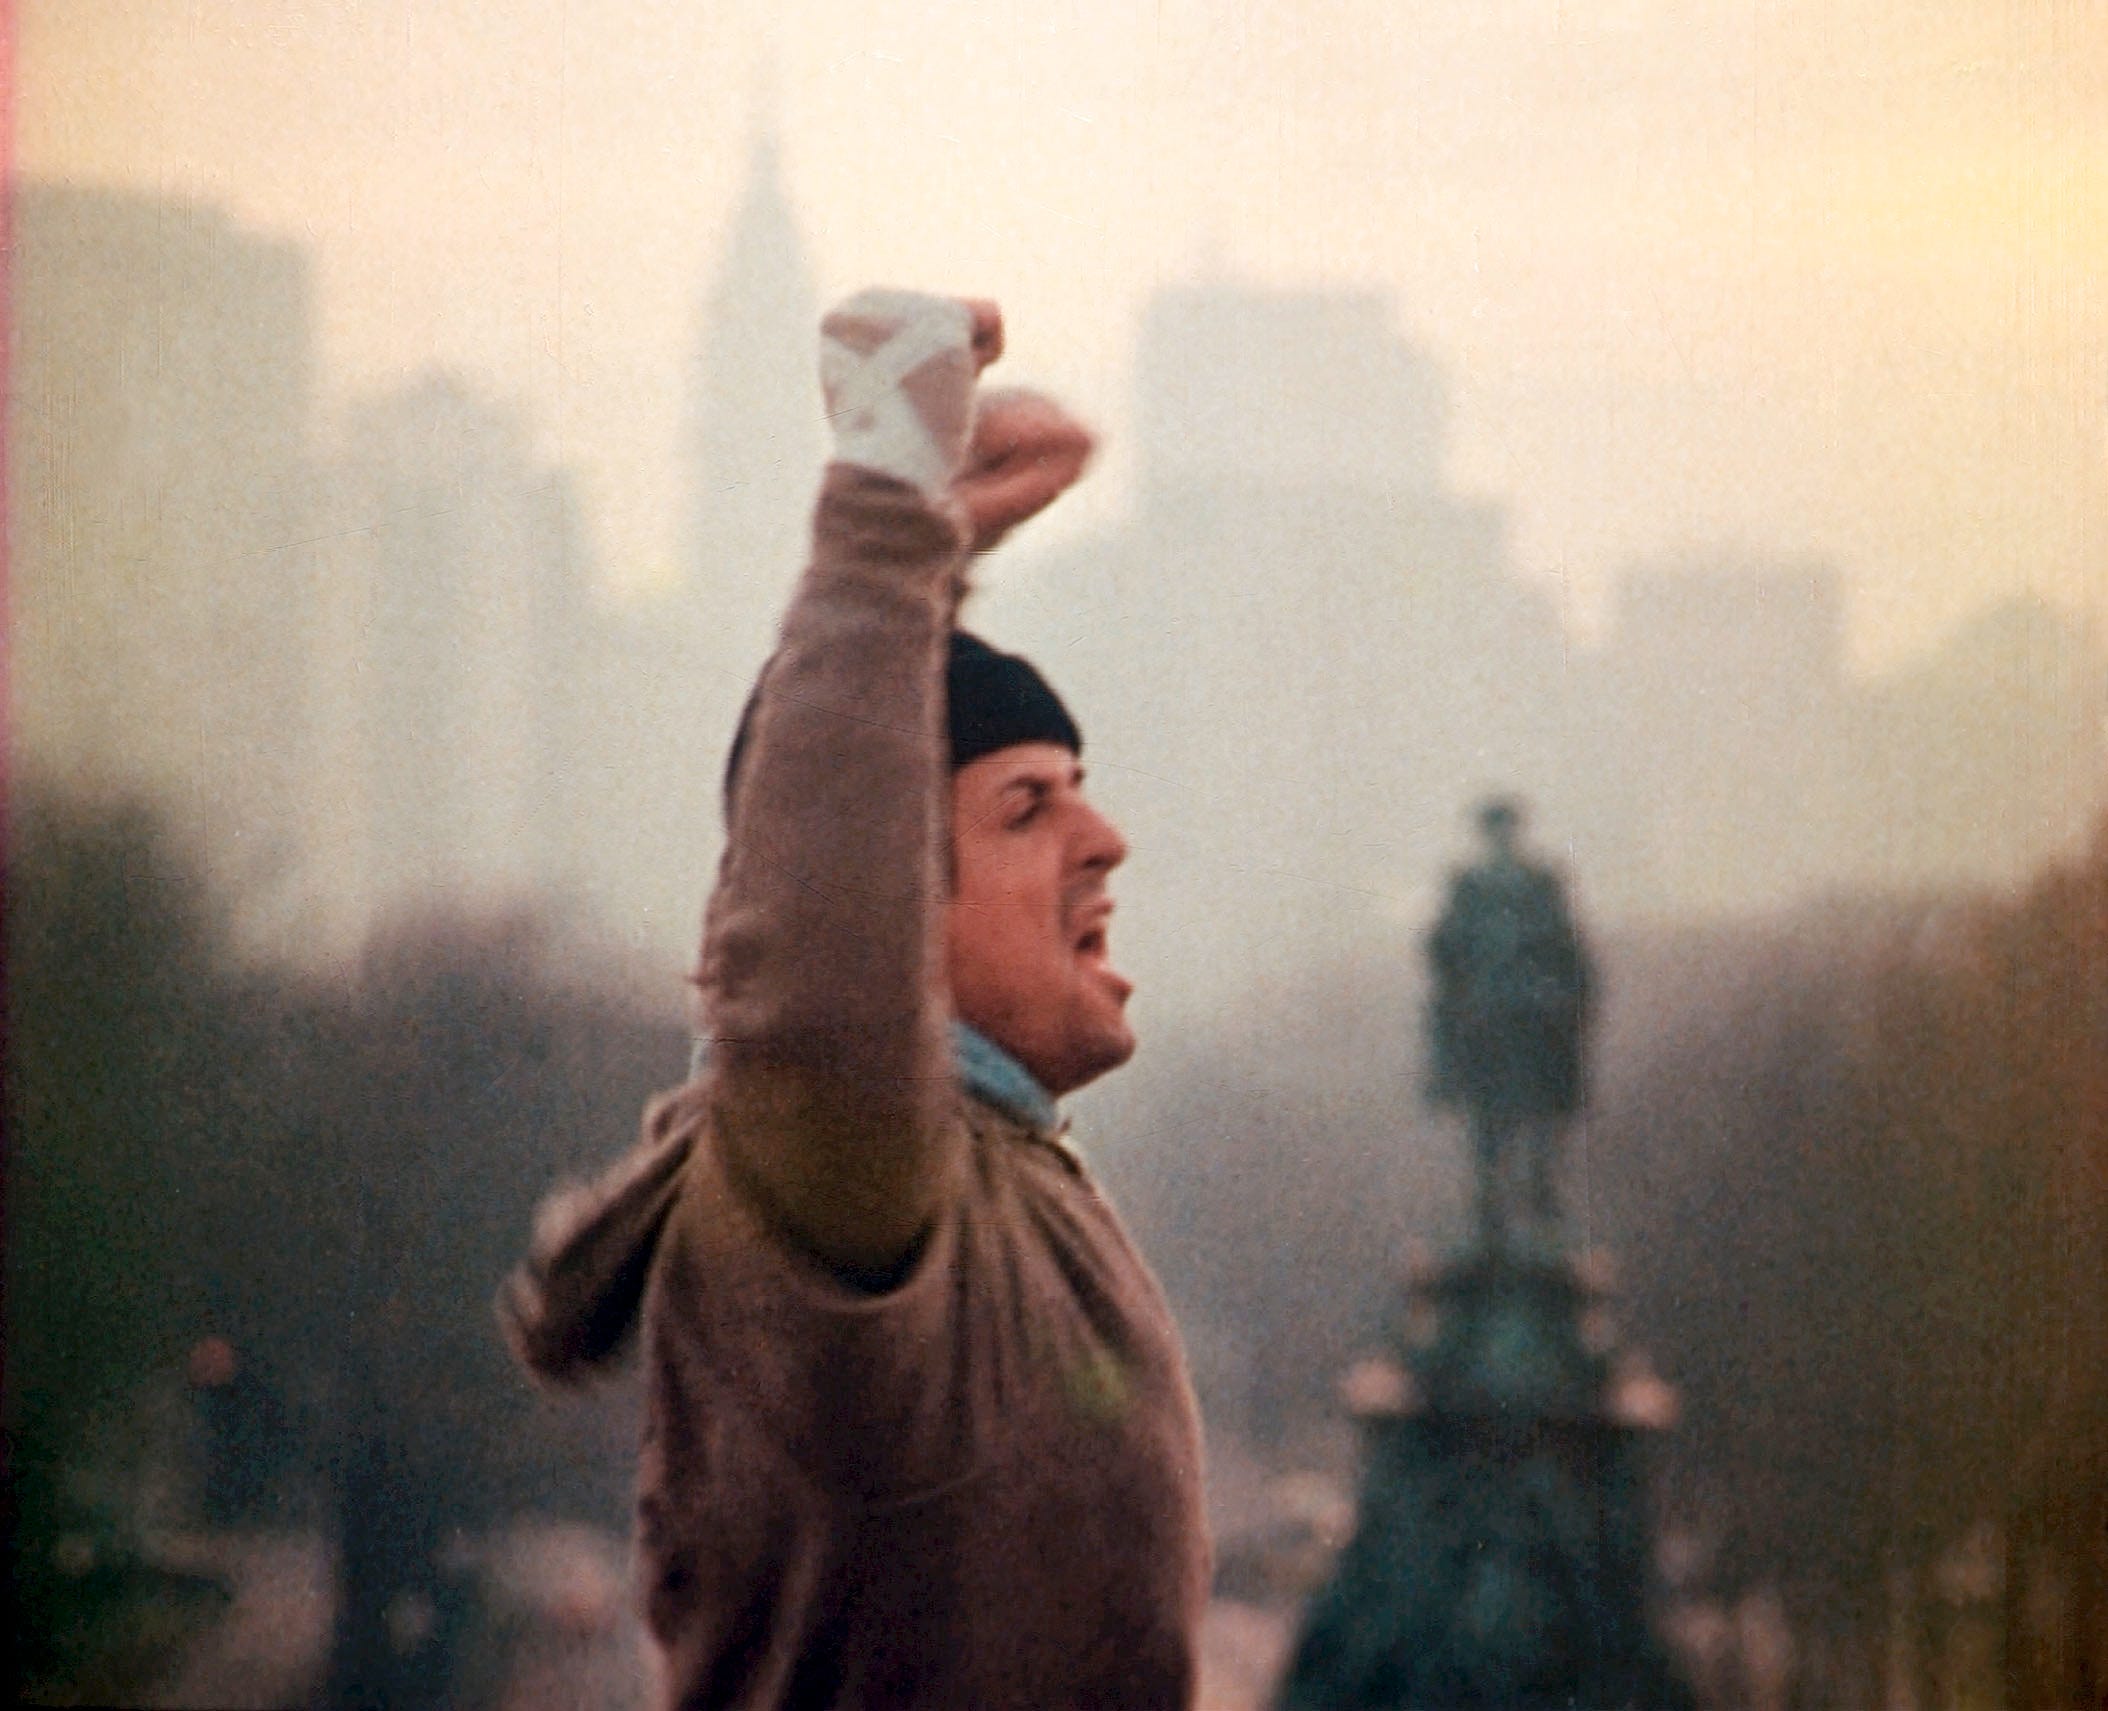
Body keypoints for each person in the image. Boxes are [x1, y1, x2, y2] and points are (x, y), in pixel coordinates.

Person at [499, 290, 1210, 1708]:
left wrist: (932, 567)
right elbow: (823, 910)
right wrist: (885, 509)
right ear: (893, 908)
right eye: (1029, 805)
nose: (1105, 837)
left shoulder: (971, 1179)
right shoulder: (852, 1191)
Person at [1425, 796, 1592, 1241]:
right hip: (1497, 1012)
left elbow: (1566, 946)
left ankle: (1534, 1187)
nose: (1500, 837)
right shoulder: (1472, 885)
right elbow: (1444, 949)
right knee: (1488, 1107)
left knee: (1534, 1105)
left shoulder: (1537, 883)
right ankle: (1495, 1194)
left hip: (1525, 1011)